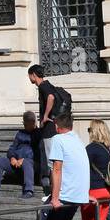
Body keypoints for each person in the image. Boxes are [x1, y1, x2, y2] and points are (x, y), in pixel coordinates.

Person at [26, 110, 89, 220]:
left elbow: (57, 169)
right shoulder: (78, 140)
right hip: (78, 197)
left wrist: (54, 198)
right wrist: (84, 193)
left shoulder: (58, 139)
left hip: (64, 196)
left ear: (56, 126)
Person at [28, 65, 71, 196]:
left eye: (29, 75)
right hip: (56, 128)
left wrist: (45, 116)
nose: (29, 78)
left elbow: (51, 98)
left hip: (49, 130)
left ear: (34, 75)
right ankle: (59, 189)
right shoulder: (49, 85)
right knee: (57, 161)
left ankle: (55, 192)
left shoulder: (43, 86)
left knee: (51, 162)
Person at [0, 111, 41, 198]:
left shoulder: (39, 134)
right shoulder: (20, 133)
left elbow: (39, 153)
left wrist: (24, 159)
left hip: (32, 164)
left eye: (27, 124)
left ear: (33, 123)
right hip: (17, 163)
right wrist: (12, 157)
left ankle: (28, 190)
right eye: (24, 124)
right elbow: (12, 148)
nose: (25, 126)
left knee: (27, 162)